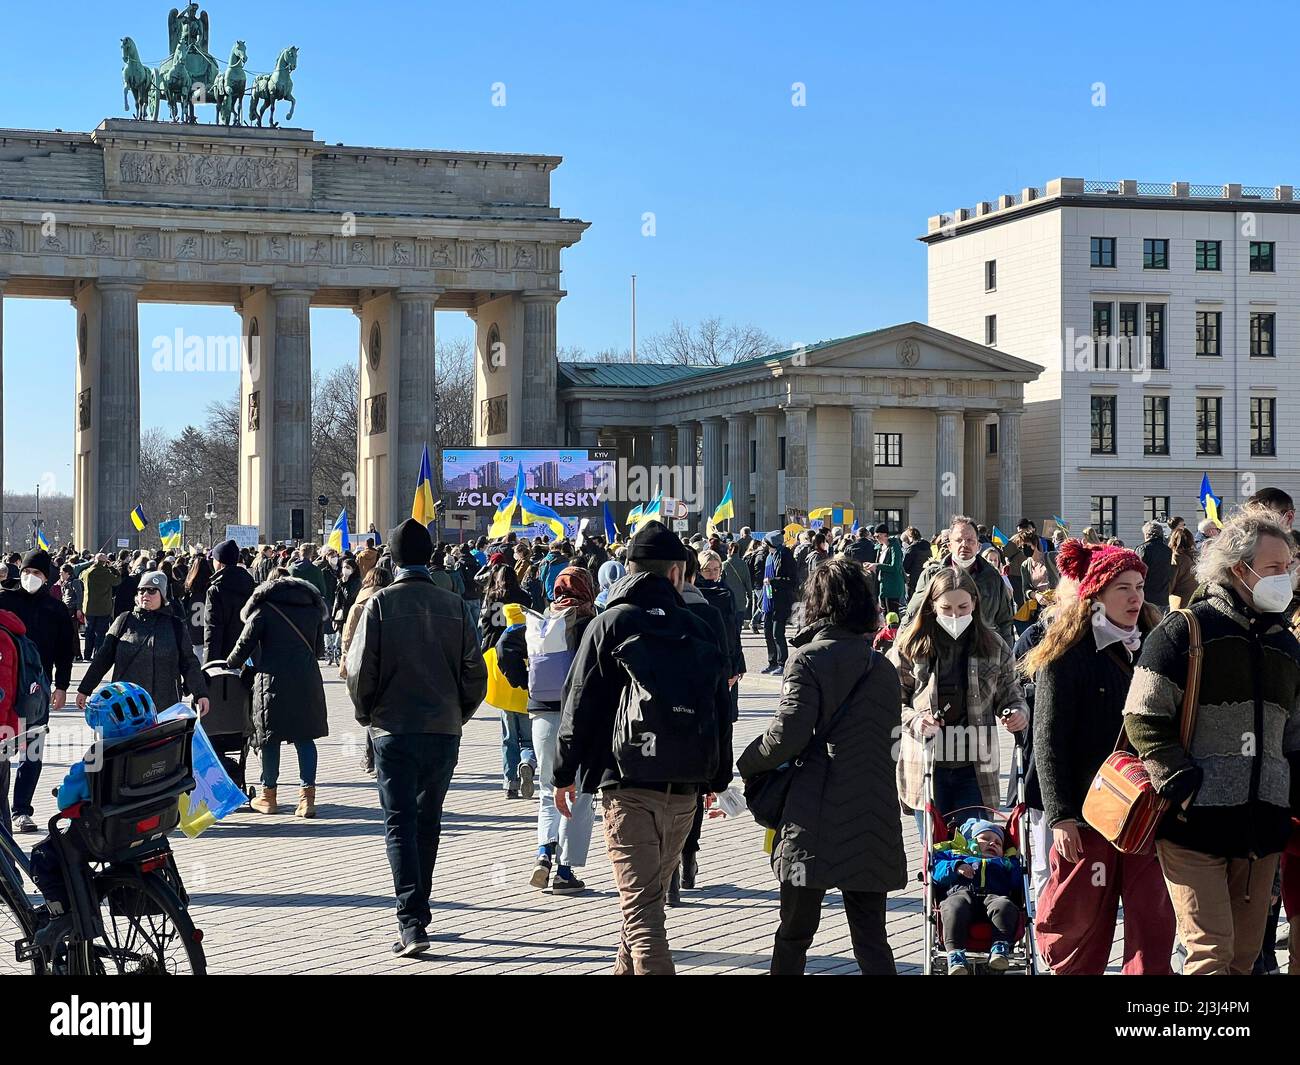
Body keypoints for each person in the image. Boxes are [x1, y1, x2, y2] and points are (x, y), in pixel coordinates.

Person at [1124, 508, 1300, 975]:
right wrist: (1181, 785)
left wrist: (1291, 799)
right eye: (1274, 568)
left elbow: (1295, 735)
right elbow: (1143, 715)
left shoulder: (1286, 644)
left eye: (1290, 567)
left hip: (1262, 829)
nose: (1286, 577)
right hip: (1193, 827)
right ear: (1237, 568)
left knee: (1244, 957)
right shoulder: (1185, 630)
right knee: (1210, 954)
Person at [553, 521, 732, 975]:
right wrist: (718, 779)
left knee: (643, 917)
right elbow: (720, 709)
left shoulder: (608, 623)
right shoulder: (700, 626)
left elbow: (579, 705)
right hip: (686, 787)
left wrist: (562, 773)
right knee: (645, 906)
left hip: (626, 784)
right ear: (676, 573)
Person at [738, 559, 907, 974]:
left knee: (794, 933)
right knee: (872, 939)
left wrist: (745, 761)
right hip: (872, 811)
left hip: (813, 810)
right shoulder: (882, 667)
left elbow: (787, 736)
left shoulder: (807, 659)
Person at [1022, 540, 1175, 975]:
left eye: (1140, 586)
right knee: (1081, 924)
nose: (1134, 597)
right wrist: (1061, 816)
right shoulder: (1066, 655)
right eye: (1122, 587)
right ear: (1095, 594)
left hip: (1148, 812)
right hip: (1090, 814)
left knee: (1154, 922)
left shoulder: (1157, 645)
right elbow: (1048, 740)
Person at [347, 519, 487, 957]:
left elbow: (358, 672)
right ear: (430, 558)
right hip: (443, 729)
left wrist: (367, 714)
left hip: (394, 728)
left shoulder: (381, 604)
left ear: (392, 558)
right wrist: (458, 714)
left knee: (399, 823)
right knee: (429, 821)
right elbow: (475, 674)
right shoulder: (455, 605)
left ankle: (411, 920)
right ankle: (418, 914)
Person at [891, 569, 1027, 838]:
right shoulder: (910, 644)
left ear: (975, 604)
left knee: (978, 848)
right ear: (932, 605)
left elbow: (1011, 693)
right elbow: (891, 701)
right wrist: (916, 719)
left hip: (974, 769)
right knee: (938, 854)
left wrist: (1017, 712)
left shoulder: (994, 646)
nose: (955, 616)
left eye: (963, 607)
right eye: (946, 608)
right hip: (927, 767)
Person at [497, 565, 598, 894]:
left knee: (547, 789)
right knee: (579, 791)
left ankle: (543, 854)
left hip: (540, 711)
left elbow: (504, 647)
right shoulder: (587, 621)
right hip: (578, 714)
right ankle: (565, 871)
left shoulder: (540, 619)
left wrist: (523, 682)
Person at [224, 568, 327, 819]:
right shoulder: (313, 610)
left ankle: (269, 797)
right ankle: (306, 800)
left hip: (271, 681)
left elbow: (240, 650)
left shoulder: (263, 611)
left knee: (269, 739)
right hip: (306, 679)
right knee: (305, 738)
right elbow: (319, 649)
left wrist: (228, 664)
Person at [0, 550, 77, 833]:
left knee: (32, 749)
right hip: (5, 686)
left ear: (47, 578)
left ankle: (22, 810)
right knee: (2, 750)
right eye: (27, 572)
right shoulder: (4, 600)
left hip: (38, 688)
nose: (31, 577)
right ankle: (2, 811)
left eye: (38, 574)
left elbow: (65, 652)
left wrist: (62, 686)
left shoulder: (55, 609)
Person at [78, 570, 209, 720]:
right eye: (141, 590)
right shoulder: (124, 620)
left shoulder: (175, 626)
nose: (145, 594)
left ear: (162, 595)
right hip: (127, 707)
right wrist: (85, 689)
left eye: (152, 590)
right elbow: (103, 658)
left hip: (166, 706)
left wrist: (200, 693)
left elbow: (189, 662)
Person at [931, 817, 1024, 974]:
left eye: (998, 842)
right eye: (985, 839)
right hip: (961, 894)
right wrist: (956, 866)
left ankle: (1000, 948)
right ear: (970, 843)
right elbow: (936, 872)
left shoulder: (1004, 862)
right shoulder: (954, 855)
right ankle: (955, 955)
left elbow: (1017, 883)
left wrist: (1015, 865)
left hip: (994, 896)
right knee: (953, 906)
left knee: (1005, 906)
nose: (992, 843)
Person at [906, 516, 1014, 646]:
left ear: (978, 546)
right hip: (940, 651)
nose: (964, 545)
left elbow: (1005, 621)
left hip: (982, 652)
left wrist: (1006, 658)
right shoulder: (932, 575)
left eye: (970, 540)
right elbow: (912, 616)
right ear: (950, 545)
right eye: (959, 540)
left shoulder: (993, 578)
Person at [204, 539, 256, 663]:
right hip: (250, 654)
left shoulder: (216, 589)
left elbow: (212, 630)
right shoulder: (251, 584)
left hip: (225, 656)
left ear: (220, 562)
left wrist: (209, 665)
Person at [760, 530, 798, 674]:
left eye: (766, 542)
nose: (764, 544)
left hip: (781, 600)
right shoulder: (770, 555)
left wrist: (773, 581)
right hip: (768, 599)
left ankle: (782, 663)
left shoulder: (785, 555)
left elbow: (792, 581)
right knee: (767, 631)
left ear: (772, 543)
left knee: (777, 633)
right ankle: (772, 662)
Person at [80, 553, 120, 660]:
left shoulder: (87, 573)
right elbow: (117, 581)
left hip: (89, 608)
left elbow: (79, 575)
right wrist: (112, 568)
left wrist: (91, 564)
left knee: (89, 632)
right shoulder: (107, 573)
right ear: (105, 562)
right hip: (103, 608)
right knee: (101, 633)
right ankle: (98, 654)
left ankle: (87, 655)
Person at [865, 523, 906, 614]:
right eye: (874, 536)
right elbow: (879, 564)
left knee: (892, 614)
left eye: (877, 536)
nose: (876, 538)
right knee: (885, 614)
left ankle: (894, 628)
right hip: (883, 586)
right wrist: (871, 565)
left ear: (885, 535)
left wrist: (877, 565)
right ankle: (888, 629)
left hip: (893, 586)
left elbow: (895, 567)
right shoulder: (880, 547)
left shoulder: (895, 547)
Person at [1135, 521, 1173, 612]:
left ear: (1147, 534)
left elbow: (1137, 572)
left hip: (1146, 597)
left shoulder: (1143, 549)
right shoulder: (1168, 550)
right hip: (1163, 597)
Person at [1167, 525, 1198, 610]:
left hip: (1180, 601)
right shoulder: (1196, 556)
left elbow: (1171, 583)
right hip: (1196, 600)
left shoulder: (1177, 558)